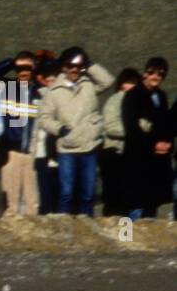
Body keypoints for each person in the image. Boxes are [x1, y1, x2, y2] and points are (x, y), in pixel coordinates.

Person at [38, 46, 112, 216]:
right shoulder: (54, 91)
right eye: (70, 66)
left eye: (77, 66)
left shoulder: (88, 85)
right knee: (67, 193)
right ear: (63, 67)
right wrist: (59, 129)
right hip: (67, 148)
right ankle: (64, 228)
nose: (74, 70)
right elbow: (44, 118)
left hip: (89, 146)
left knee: (88, 193)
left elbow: (107, 81)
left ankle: (88, 227)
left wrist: (89, 64)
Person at [120, 57, 172, 219]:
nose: (155, 76)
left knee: (151, 203)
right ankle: (124, 239)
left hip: (156, 161)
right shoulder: (133, 96)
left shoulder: (161, 96)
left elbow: (165, 124)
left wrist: (168, 143)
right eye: (151, 72)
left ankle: (147, 242)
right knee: (131, 204)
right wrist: (153, 144)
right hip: (136, 157)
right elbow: (131, 127)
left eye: (160, 74)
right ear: (145, 73)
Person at [0, 51, 42, 217]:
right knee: (10, 202)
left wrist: (39, 62)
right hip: (10, 151)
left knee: (31, 201)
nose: (24, 72)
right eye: (20, 68)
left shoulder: (39, 92)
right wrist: (12, 62)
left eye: (28, 68)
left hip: (32, 152)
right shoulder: (6, 87)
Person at [100, 68, 140, 217]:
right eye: (128, 83)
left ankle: (127, 236)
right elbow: (110, 126)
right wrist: (134, 131)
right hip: (114, 154)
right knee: (115, 201)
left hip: (131, 155)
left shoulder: (139, 102)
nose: (130, 86)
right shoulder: (115, 100)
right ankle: (119, 236)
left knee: (130, 201)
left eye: (134, 83)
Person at [33, 59, 61, 215]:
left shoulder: (63, 96)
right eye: (48, 80)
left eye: (54, 80)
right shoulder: (38, 97)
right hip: (41, 152)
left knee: (59, 190)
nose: (51, 83)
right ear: (42, 80)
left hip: (59, 151)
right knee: (44, 192)